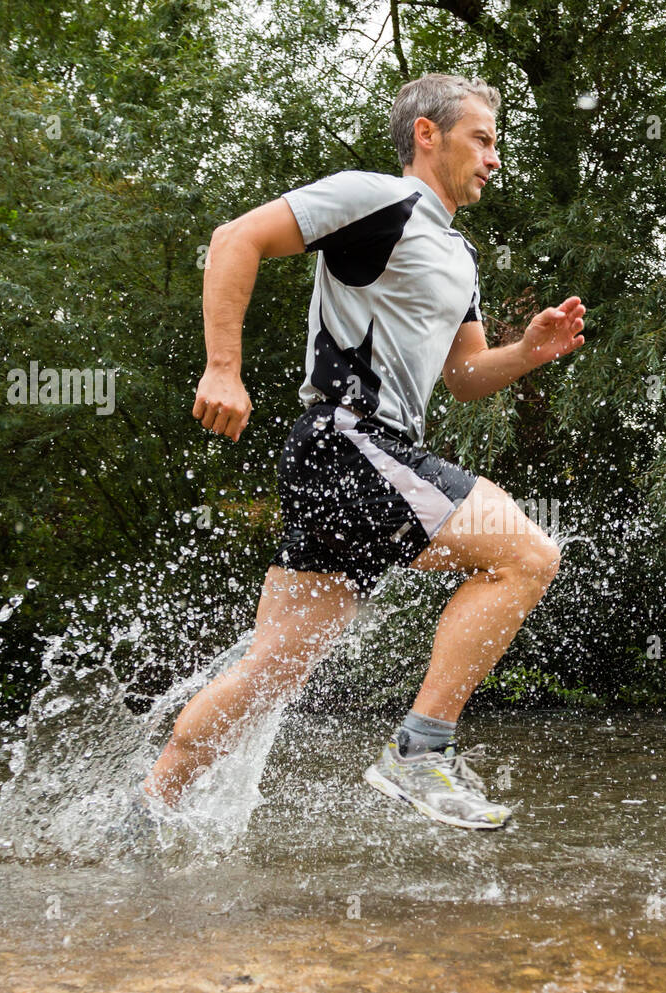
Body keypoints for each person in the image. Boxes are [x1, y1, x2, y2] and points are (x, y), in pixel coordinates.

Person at [140, 73, 585, 830]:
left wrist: (527, 353)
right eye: (482, 138)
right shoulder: (377, 198)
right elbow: (235, 239)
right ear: (426, 135)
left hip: (351, 456)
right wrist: (222, 367)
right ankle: (419, 753)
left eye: (496, 143)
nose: (494, 158)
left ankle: (147, 810)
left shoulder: (458, 254)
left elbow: (465, 376)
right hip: (348, 438)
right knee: (526, 554)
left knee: (273, 670)